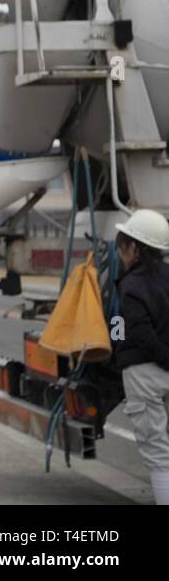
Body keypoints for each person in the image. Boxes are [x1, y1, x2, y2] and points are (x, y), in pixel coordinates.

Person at [113, 208, 169, 505]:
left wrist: (114, 346)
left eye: (123, 246)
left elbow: (133, 331)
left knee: (158, 453)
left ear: (135, 247)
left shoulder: (130, 285)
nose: (121, 253)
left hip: (145, 373)